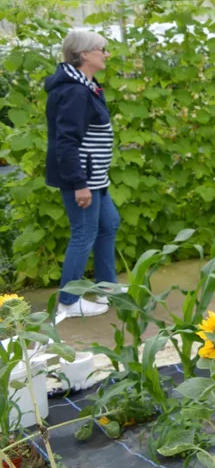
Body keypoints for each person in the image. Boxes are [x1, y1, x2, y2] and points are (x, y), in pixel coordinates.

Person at [44, 30, 119, 321]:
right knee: (84, 234)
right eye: (102, 49)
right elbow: (66, 141)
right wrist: (79, 184)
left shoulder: (86, 86)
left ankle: (106, 286)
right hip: (84, 179)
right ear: (85, 54)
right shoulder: (75, 91)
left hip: (95, 176)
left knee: (108, 224)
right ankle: (69, 301)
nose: (106, 54)